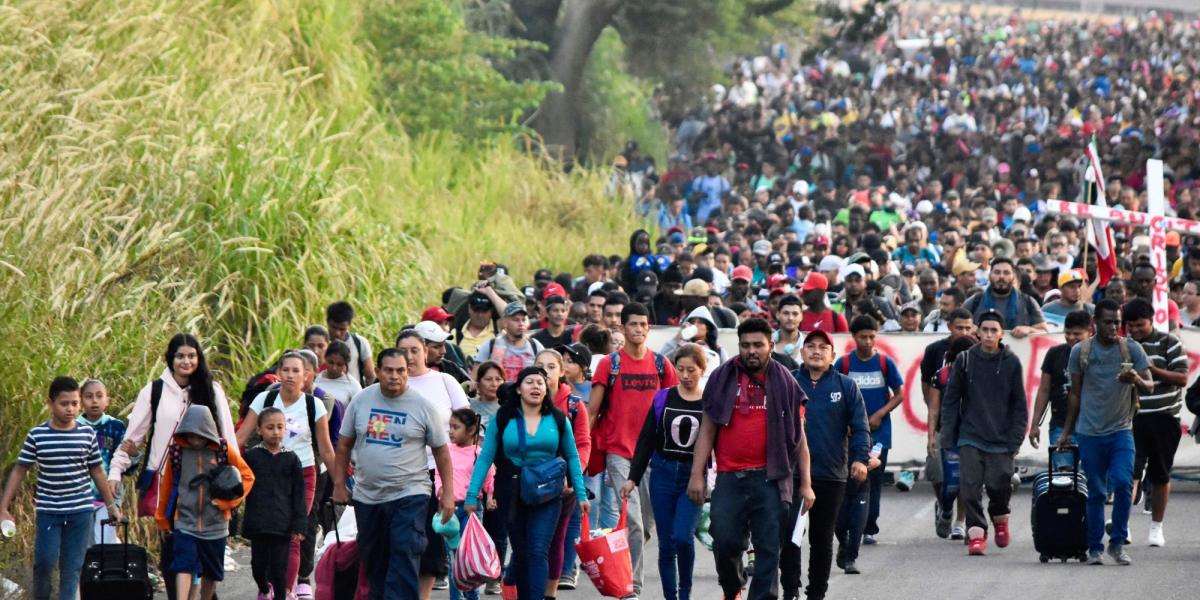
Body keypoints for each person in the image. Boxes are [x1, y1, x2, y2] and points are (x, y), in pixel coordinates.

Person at [687, 318, 813, 600]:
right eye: (746, 345)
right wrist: (697, 474)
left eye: (758, 345)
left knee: (769, 550)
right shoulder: (722, 378)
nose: (751, 351)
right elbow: (707, 430)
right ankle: (733, 589)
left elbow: (800, 437)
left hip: (771, 479)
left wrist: (806, 483)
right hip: (729, 478)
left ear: (770, 345)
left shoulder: (785, 381)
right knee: (724, 541)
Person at [108, 333, 239, 600]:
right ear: (171, 358)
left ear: (199, 358)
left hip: (205, 484)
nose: (186, 361)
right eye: (180, 355)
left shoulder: (211, 390)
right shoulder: (154, 391)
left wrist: (233, 486)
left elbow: (228, 439)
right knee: (174, 552)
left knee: (201, 554)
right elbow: (133, 437)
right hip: (166, 484)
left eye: (192, 355)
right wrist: (115, 469)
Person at [332, 349, 455, 600]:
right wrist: (339, 484)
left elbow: (442, 452)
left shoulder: (422, 406)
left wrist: (448, 493)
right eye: (388, 370)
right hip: (368, 495)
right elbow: (343, 444)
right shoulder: (361, 401)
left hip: (410, 492)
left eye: (401, 370)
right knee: (374, 559)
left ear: (407, 373)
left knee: (405, 550)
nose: (394, 376)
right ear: (377, 372)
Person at [464, 367, 590, 600]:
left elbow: (572, 456)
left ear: (546, 390)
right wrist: (472, 495)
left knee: (538, 550)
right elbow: (485, 457)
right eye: (529, 382)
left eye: (540, 383)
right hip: (510, 491)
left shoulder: (559, 419)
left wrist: (581, 494)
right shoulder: (503, 418)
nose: (535, 386)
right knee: (521, 553)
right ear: (519, 389)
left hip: (547, 492)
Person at [0, 377, 123, 600]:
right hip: (49, 512)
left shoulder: (86, 435)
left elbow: (97, 471)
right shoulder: (38, 436)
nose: (70, 409)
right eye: (64, 404)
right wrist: (3, 507)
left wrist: (111, 505)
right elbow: (20, 470)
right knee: (45, 563)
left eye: (75, 404)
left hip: (80, 511)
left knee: (72, 567)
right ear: (50, 404)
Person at [587, 303, 679, 598]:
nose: (639, 329)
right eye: (633, 324)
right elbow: (592, 411)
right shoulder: (609, 364)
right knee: (635, 522)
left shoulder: (661, 365)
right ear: (622, 328)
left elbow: (675, 406)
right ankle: (632, 587)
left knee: (649, 525)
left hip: (656, 455)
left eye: (643, 324)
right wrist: (580, 451)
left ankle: (625, 563)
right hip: (619, 452)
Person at [1057, 298, 1153, 565]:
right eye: (1108, 322)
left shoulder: (1131, 348)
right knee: (1097, 492)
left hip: (1121, 431)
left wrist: (1135, 378)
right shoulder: (1081, 351)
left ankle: (1118, 542)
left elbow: (1149, 385)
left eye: (1117, 323)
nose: (1113, 327)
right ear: (1095, 323)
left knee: (1124, 484)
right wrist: (1067, 431)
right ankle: (1095, 546)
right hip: (1089, 432)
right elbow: (1074, 394)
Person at [236, 351, 336, 599]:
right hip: (266, 473)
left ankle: (285, 591)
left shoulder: (314, 405)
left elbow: (325, 448)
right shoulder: (265, 398)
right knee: (265, 533)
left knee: (293, 534)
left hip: (303, 473)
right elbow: (241, 437)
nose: (290, 375)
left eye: (296, 371)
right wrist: (226, 469)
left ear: (306, 375)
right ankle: (265, 587)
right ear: (278, 373)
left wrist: (341, 483)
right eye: (286, 370)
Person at [784, 330, 869, 600]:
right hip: (793, 475)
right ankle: (790, 591)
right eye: (810, 346)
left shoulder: (846, 386)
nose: (816, 351)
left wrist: (859, 458)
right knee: (789, 537)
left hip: (831, 474)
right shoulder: (789, 383)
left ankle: (816, 593)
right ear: (802, 352)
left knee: (821, 540)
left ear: (833, 355)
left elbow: (860, 427)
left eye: (823, 347)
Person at [620, 345, 708, 600]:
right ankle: (671, 596)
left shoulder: (709, 402)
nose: (685, 375)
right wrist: (633, 478)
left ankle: (685, 593)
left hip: (693, 479)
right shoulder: (663, 398)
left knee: (683, 537)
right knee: (666, 543)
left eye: (691, 370)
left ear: (702, 370)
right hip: (663, 474)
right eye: (680, 369)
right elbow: (647, 440)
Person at [939, 310, 1028, 556]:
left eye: (994, 331)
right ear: (977, 331)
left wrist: (1016, 438)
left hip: (1001, 438)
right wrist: (947, 435)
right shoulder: (965, 360)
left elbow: (1019, 404)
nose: (988, 335)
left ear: (1001, 334)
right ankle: (976, 533)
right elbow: (951, 400)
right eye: (985, 330)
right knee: (969, 487)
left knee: (999, 484)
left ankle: (1000, 518)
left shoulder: (1011, 362)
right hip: (970, 436)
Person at [398, 330, 471, 597]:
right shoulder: (389, 384)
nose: (410, 357)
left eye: (415, 350)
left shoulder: (444, 381)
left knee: (429, 542)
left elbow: (468, 423)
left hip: (436, 472)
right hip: (399, 474)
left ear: (425, 351)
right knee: (401, 541)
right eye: (403, 351)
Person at [155, 405, 255, 600]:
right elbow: (167, 485)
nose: (195, 440)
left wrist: (229, 503)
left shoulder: (223, 450)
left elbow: (247, 476)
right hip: (185, 521)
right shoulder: (178, 452)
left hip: (216, 524)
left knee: (211, 573)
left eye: (199, 436)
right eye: (191, 435)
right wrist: (162, 519)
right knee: (183, 564)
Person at [1122, 298, 1188, 547]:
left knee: (1160, 475)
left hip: (1164, 418)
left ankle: (1156, 528)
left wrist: (1151, 370)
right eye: (1131, 326)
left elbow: (1182, 378)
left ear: (1151, 320)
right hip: (1132, 418)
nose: (1136, 331)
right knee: (1129, 473)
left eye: (1140, 325)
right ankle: (1123, 525)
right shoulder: (1124, 345)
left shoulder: (1168, 342)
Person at [837, 315, 903, 546]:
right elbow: (835, 395)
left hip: (879, 434)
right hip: (850, 434)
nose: (867, 341)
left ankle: (869, 527)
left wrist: (880, 414)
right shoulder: (844, 364)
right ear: (854, 337)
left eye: (872, 336)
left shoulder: (885, 363)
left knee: (873, 480)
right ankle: (845, 526)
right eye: (863, 337)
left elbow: (900, 394)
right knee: (847, 479)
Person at [534, 349, 591, 595]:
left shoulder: (574, 405)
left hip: (563, 481)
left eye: (551, 366)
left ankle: (557, 581)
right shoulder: (524, 402)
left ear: (562, 371)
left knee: (560, 534)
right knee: (532, 540)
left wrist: (573, 477)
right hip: (529, 481)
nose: (545, 372)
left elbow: (583, 444)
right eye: (540, 366)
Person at [242, 407, 307, 600]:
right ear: (259, 430)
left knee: (280, 570)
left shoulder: (291, 459)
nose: (276, 432)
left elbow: (299, 494)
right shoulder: (252, 457)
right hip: (258, 523)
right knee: (258, 566)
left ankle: (280, 596)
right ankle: (263, 588)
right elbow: (241, 486)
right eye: (270, 427)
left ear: (286, 429)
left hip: (282, 524)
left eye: (280, 427)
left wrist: (299, 524)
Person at [437, 409, 494, 600]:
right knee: (455, 559)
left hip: (471, 510)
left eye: (456, 427)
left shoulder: (479, 453)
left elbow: (489, 478)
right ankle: (457, 598)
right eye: (450, 427)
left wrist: (491, 496)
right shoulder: (446, 450)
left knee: (468, 558)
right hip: (449, 511)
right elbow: (438, 474)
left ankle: (471, 596)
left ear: (471, 431)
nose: (451, 431)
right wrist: (440, 491)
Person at [1030, 310, 1093, 450]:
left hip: (1092, 428)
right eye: (1067, 333)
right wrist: (1035, 424)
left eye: (1077, 334)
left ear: (1089, 331)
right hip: (1060, 424)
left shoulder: (1098, 355)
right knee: (1063, 472)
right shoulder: (1055, 353)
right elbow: (1044, 390)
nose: (1071, 337)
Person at [78, 378, 126, 545]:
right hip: (79, 497)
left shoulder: (115, 427)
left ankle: (109, 571)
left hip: (108, 497)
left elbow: (125, 462)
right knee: (82, 545)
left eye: (99, 396)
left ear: (107, 400)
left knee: (105, 543)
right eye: (89, 396)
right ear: (81, 400)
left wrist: (134, 455)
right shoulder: (74, 427)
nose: (94, 401)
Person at [961, 257, 1047, 338]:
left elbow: (1044, 331)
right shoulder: (975, 301)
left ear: (1013, 276)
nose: (1001, 276)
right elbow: (958, 328)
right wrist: (970, 329)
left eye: (1006, 273)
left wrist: (1029, 330)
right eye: (997, 272)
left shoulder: (1028, 302)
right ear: (989, 275)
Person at [478, 301, 545, 381]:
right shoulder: (491, 345)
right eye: (516, 320)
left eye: (523, 320)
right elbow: (475, 377)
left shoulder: (536, 346)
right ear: (505, 322)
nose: (521, 324)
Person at [326, 301, 376, 387]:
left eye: (342, 329)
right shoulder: (321, 344)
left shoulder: (359, 343)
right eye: (334, 327)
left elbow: (370, 376)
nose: (337, 333)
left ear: (349, 324)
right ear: (328, 322)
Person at [315, 340, 363, 416]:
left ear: (346, 364)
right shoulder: (315, 380)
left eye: (339, 364)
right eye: (331, 362)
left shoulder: (353, 385)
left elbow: (359, 412)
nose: (334, 368)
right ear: (325, 358)